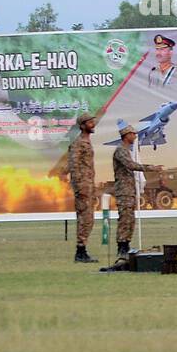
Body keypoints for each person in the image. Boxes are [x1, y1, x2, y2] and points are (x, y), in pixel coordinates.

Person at [112, 124, 163, 257]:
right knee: (125, 218)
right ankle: (122, 246)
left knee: (130, 219)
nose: (135, 136)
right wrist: (150, 168)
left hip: (129, 190)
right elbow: (130, 165)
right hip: (123, 190)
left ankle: (126, 244)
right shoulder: (120, 150)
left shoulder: (126, 150)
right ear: (126, 135)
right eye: (133, 134)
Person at [68, 111, 99, 263]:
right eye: (90, 122)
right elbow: (73, 166)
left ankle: (82, 250)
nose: (93, 124)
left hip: (89, 185)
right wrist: (80, 187)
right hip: (83, 187)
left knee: (89, 219)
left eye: (93, 121)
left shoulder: (87, 142)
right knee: (84, 218)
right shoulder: (78, 143)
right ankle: (80, 252)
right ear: (82, 126)